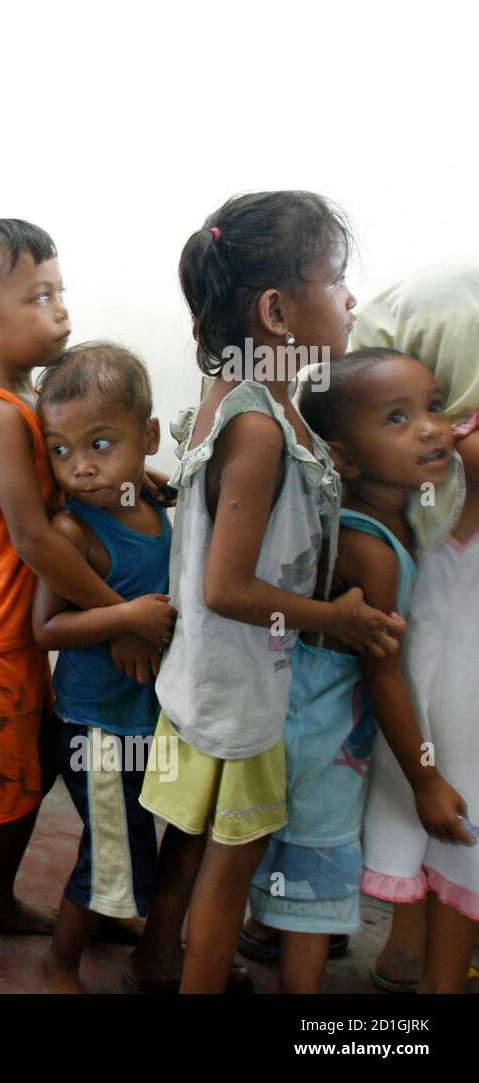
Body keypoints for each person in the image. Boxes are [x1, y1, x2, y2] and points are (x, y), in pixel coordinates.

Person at [137, 191, 404, 993]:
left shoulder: (244, 397)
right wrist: (336, 617)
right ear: (278, 311)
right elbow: (226, 586)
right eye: (337, 278)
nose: (351, 299)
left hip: (210, 677)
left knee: (196, 842)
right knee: (232, 865)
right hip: (242, 694)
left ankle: (159, 962)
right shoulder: (258, 428)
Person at [0, 219, 174, 935]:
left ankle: (63, 896)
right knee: (4, 786)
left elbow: (60, 488)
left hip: (17, 629)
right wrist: (119, 615)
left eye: (59, 292)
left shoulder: (27, 401)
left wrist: (131, 476)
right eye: (39, 297)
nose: (60, 311)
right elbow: (35, 535)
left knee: (32, 766)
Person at [239, 349, 471, 993]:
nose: (430, 428)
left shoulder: (394, 519)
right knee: (316, 885)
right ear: (344, 456)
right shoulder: (372, 547)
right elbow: (383, 675)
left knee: (291, 867)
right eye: (397, 418)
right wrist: (426, 781)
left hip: (314, 727)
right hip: (320, 741)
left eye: (433, 406)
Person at [345, 262, 479, 992]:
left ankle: (407, 957)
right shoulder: (448, 463)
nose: (431, 425)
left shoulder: (414, 483)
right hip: (440, 726)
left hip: (434, 721)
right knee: (454, 838)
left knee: (445, 841)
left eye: (433, 405)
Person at [31, 342, 178, 992]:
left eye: (99, 444)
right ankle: (58, 963)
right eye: (61, 450)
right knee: (111, 846)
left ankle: (111, 915)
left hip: (139, 717)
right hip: (94, 724)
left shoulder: (155, 507)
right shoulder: (74, 532)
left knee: (126, 836)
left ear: (148, 437)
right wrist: (124, 618)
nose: (81, 467)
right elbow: (47, 628)